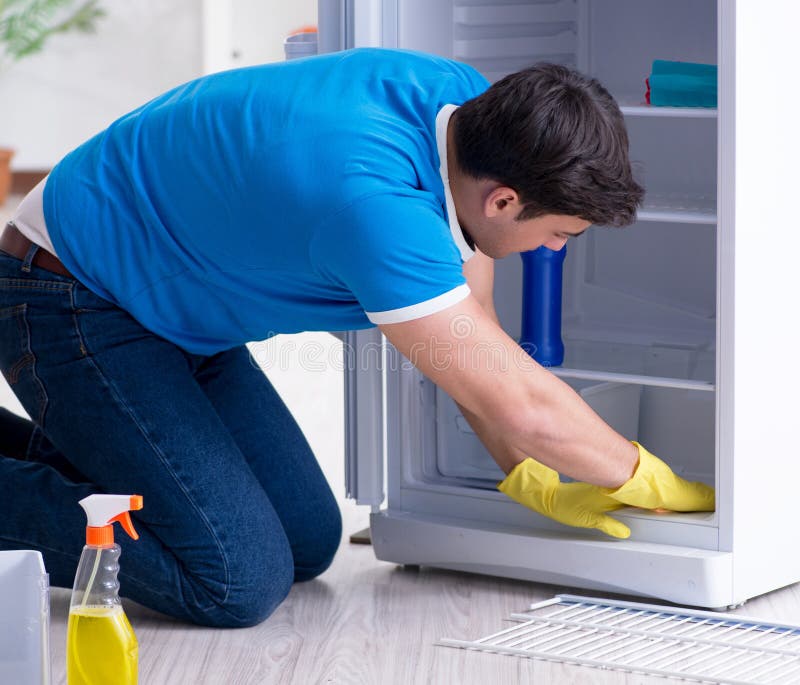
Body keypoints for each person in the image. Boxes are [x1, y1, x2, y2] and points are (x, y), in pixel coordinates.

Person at [0, 48, 714, 628]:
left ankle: (107, 447)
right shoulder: (378, 211)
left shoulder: (464, 106)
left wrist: (521, 471)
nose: (551, 251)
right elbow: (518, 399)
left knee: (307, 540)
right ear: (503, 201)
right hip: (72, 296)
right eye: (557, 233)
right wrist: (650, 477)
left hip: (179, 299)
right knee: (233, 577)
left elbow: (473, 341)